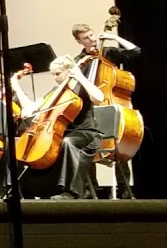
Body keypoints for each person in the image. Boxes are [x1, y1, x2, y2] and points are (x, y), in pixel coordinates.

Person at [14, 55, 105, 199]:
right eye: (53, 74)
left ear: (69, 71)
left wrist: (80, 77)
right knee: (39, 147)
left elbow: (99, 98)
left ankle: (71, 192)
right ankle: (36, 189)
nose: (55, 77)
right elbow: (37, 106)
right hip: (62, 132)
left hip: (86, 132)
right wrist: (27, 108)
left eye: (57, 73)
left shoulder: (83, 87)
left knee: (67, 143)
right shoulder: (57, 91)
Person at [73, 22, 141, 198]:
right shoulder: (79, 61)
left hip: (109, 106)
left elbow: (135, 52)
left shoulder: (108, 52)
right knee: (86, 146)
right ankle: (90, 189)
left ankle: (124, 188)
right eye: (86, 38)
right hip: (89, 109)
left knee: (116, 142)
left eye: (92, 34)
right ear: (79, 42)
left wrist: (113, 37)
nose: (92, 39)